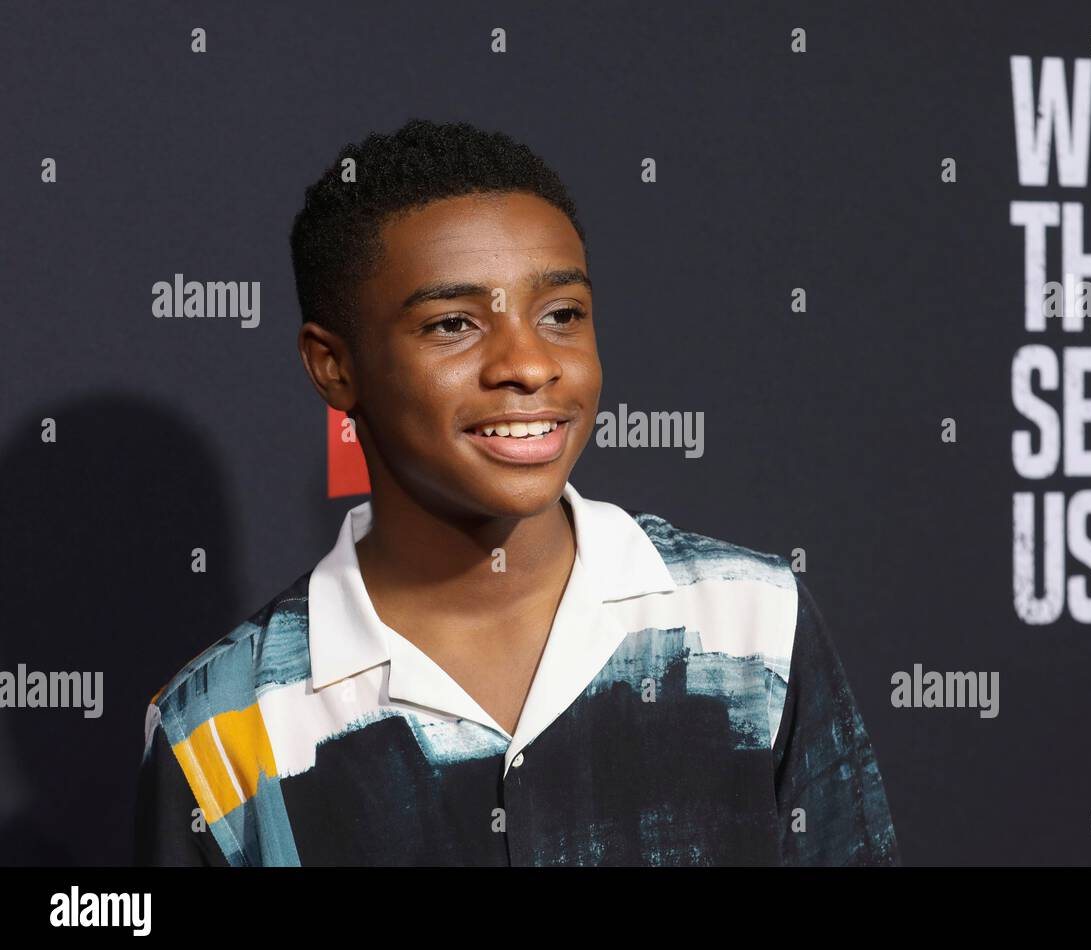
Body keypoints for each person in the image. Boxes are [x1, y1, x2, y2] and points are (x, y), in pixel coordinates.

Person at [131, 119, 899, 866]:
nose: (529, 364)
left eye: (562, 315)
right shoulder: (223, 725)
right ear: (334, 366)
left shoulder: (749, 620)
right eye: (454, 324)